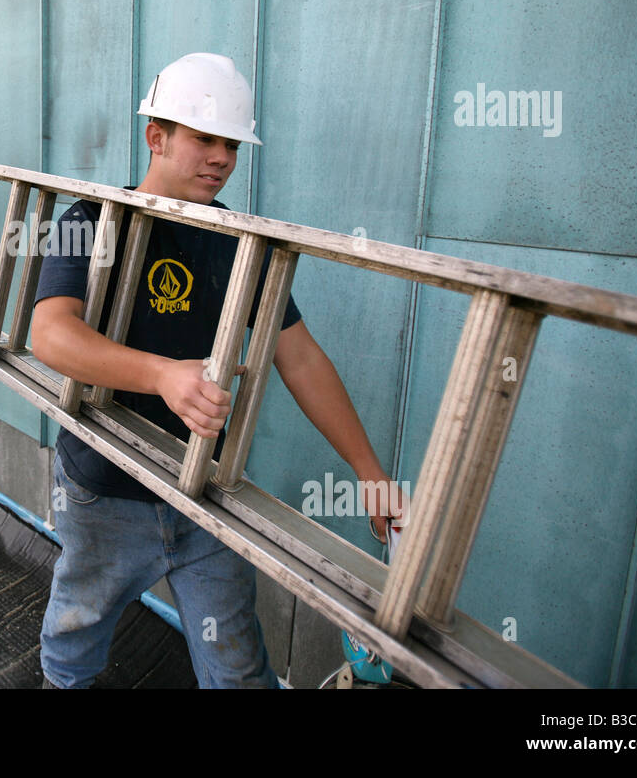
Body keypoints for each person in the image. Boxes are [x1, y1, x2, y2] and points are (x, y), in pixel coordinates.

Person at [31, 52, 404, 689]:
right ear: (157, 136)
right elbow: (50, 333)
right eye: (204, 138)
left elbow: (301, 356)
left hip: (207, 496)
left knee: (236, 670)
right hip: (106, 493)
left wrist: (371, 475)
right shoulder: (86, 220)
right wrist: (161, 375)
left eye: (231, 143)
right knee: (73, 649)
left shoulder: (239, 237)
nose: (222, 157)